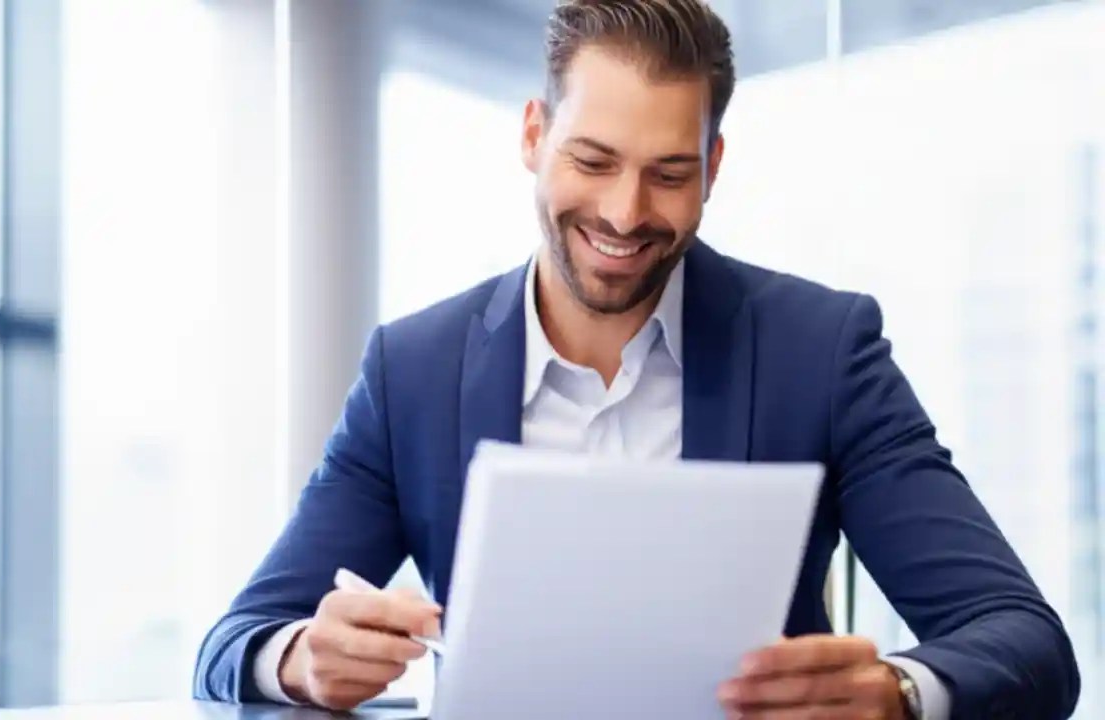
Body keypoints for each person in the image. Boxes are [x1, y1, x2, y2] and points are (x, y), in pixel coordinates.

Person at [193, 1, 1080, 717]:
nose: (625, 212)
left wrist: (895, 692)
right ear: (534, 135)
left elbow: (1023, 641)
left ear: (714, 165)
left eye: (668, 172)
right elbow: (234, 640)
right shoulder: (412, 370)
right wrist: (301, 659)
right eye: (594, 159)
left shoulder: (821, 350)